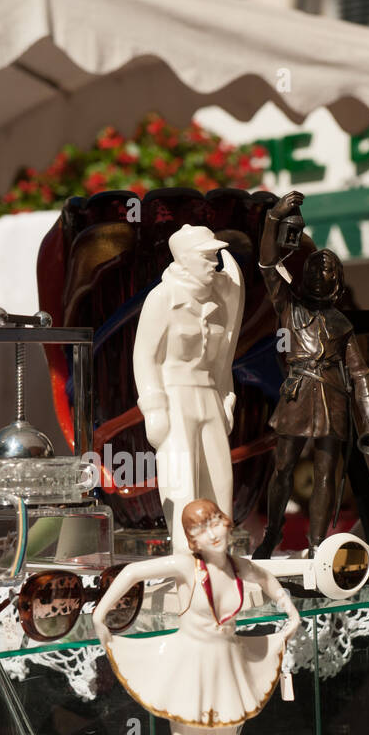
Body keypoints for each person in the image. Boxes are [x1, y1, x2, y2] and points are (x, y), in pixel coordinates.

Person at [93, 497, 300, 735]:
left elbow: (269, 581)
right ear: (191, 539)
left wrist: (289, 611)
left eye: (216, 522)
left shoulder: (241, 567)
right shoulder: (188, 568)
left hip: (226, 674)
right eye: (201, 529)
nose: (213, 533)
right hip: (188, 674)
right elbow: (133, 572)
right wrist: (100, 614)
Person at [254, 191, 369, 558]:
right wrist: (273, 219)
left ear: (337, 281)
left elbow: (360, 373)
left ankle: (316, 545)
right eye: (314, 267)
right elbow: (266, 265)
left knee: (328, 475)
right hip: (298, 393)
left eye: (327, 269)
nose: (318, 273)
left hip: (333, 399)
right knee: (282, 469)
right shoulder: (288, 306)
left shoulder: (342, 324)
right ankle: (273, 532)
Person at [133, 224, 244, 552]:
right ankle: (186, 563)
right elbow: (145, 356)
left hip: (208, 395)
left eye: (215, 256)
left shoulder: (219, 300)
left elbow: (223, 358)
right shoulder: (163, 298)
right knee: (182, 484)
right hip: (175, 397)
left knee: (220, 484)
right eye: (207, 256)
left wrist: (226, 400)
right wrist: (154, 408)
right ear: (184, 259)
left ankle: (221, 559)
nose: (214, 263)